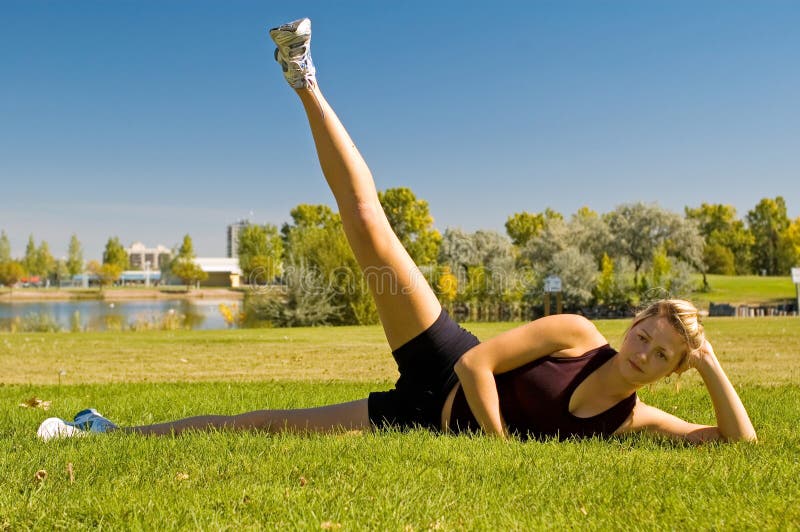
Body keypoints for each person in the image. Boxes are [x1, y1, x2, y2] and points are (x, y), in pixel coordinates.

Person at [38, 18, 756, 444]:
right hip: (445, 360)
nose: (643, 352)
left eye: (661, 355)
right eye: (645, 335)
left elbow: (732, 444)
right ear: (631, 323)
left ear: (671, 372)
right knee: (370, 230)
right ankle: (304, 78)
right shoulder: (575, 332)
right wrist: (502, 449)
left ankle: (102, 430)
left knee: (268, 424)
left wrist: (709, 360)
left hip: (413, 416)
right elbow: (479, 368)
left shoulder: (631, 420)